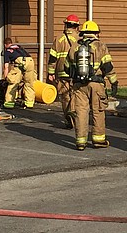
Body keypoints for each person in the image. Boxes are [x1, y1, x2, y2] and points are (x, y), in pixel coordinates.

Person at [66, 20, 117, 150]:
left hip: (79, 85)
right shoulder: (100, 46)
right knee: (98, 111)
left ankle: (80, 142)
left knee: (81, 112)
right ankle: (98, 140)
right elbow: (107, 66)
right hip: (96, 84)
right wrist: (114, 82)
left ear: (83, 33)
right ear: (96, 33)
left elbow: (67, 67)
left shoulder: (75, 46)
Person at [47, 14, 82, 128]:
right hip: (76, 71)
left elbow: (52, 57)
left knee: (64, 95)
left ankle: (68, 118)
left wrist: (50, 72)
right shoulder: (79, 39)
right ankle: (73, 113)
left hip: (61, 71)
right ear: (76, 26)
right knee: (75, 93)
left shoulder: (59, 39)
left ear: (66, 25)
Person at [0, 42, 37, 108]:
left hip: (20, 62)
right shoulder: (19, 47)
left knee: (13, 83)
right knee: (29, 83)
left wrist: (6, 78)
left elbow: (6, 67)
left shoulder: (7, 51)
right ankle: (29, 103)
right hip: (30, 61)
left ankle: (9, 103)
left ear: (5, 45)